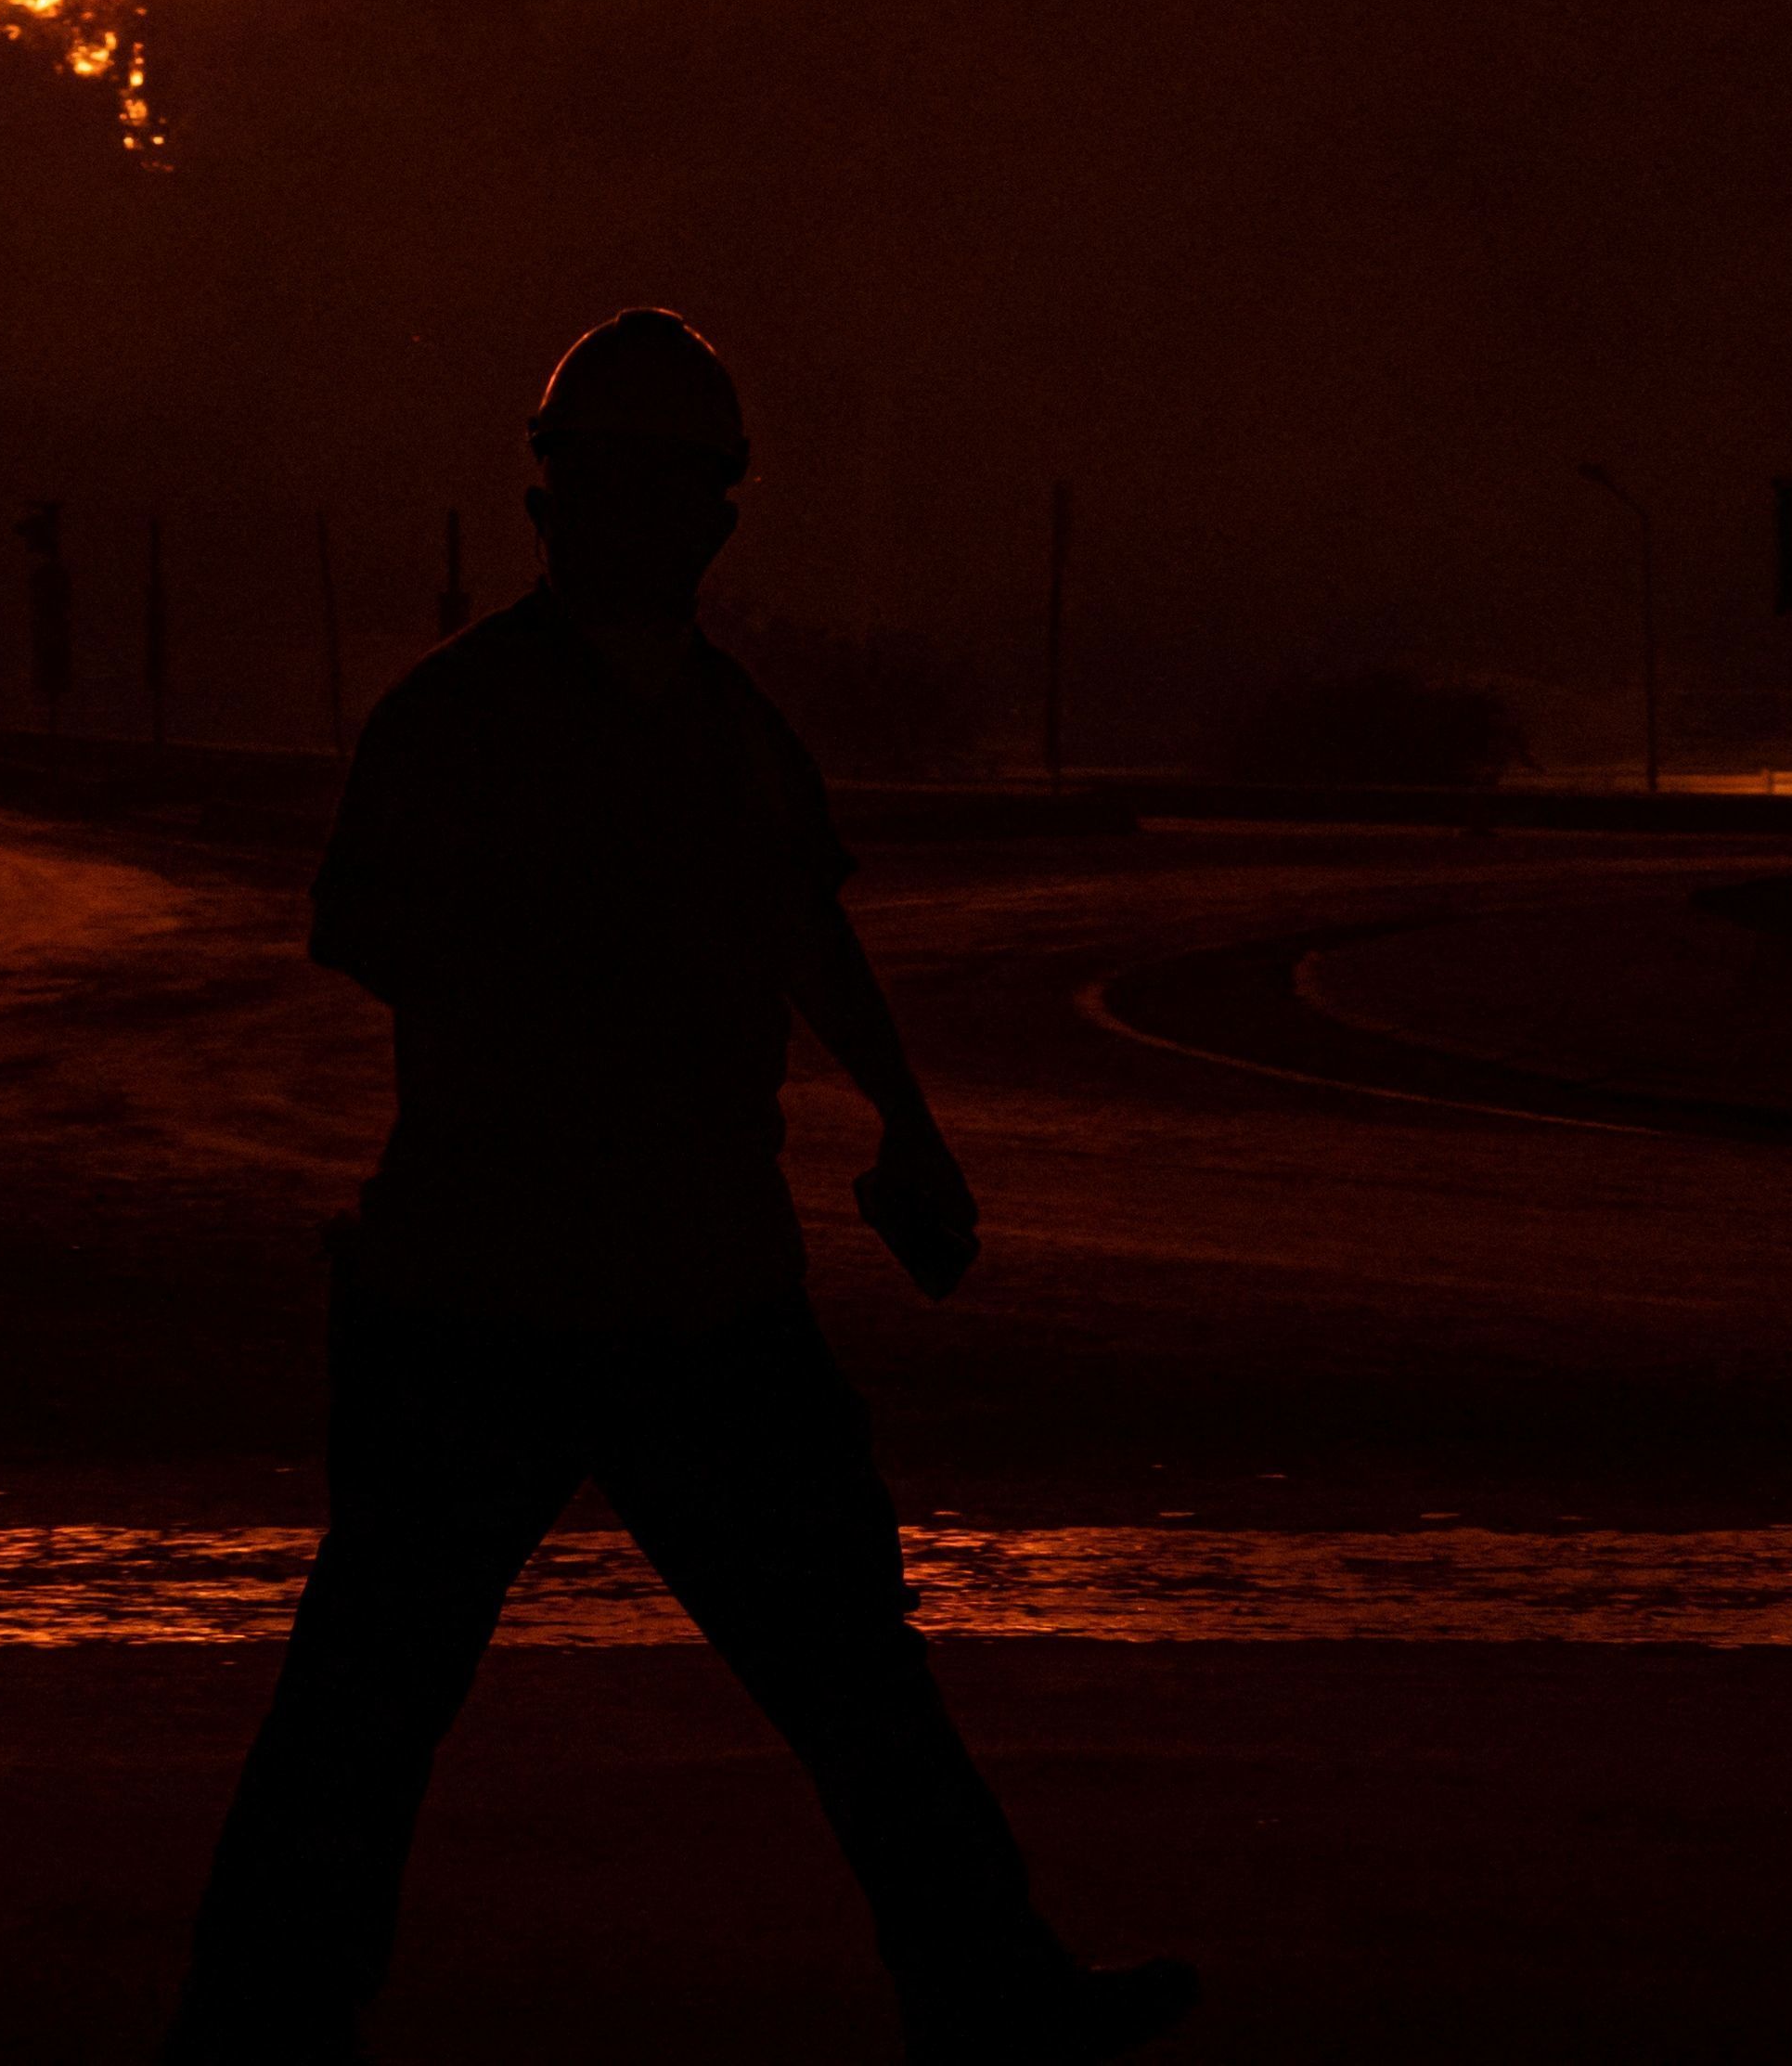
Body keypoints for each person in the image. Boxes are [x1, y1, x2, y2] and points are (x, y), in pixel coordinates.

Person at [161, 310, 1197, 2065]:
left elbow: (803, 924)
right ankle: (269, 2019)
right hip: (510, 1282)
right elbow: (381, 929)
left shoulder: (700, 724)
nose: (654, 519)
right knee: (405, 1689)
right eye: (633, 485)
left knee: (806, 1668)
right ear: (583, 504)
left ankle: (988, 1987)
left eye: (670, 489)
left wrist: (906, 1120)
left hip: (654, 1282)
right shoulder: (483, 719)